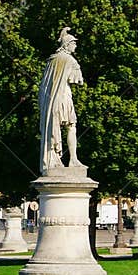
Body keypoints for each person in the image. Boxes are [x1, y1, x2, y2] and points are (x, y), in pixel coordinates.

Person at [39, 27, 85, 173]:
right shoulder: (70, 61)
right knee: (71, 126)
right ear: (67, 45)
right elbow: (76, 80)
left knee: (55, 127)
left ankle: (54, 157)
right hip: (64, 97)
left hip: (51, 100)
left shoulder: (51, 61)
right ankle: (73, 159)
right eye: (74, 43)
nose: (75, 46)